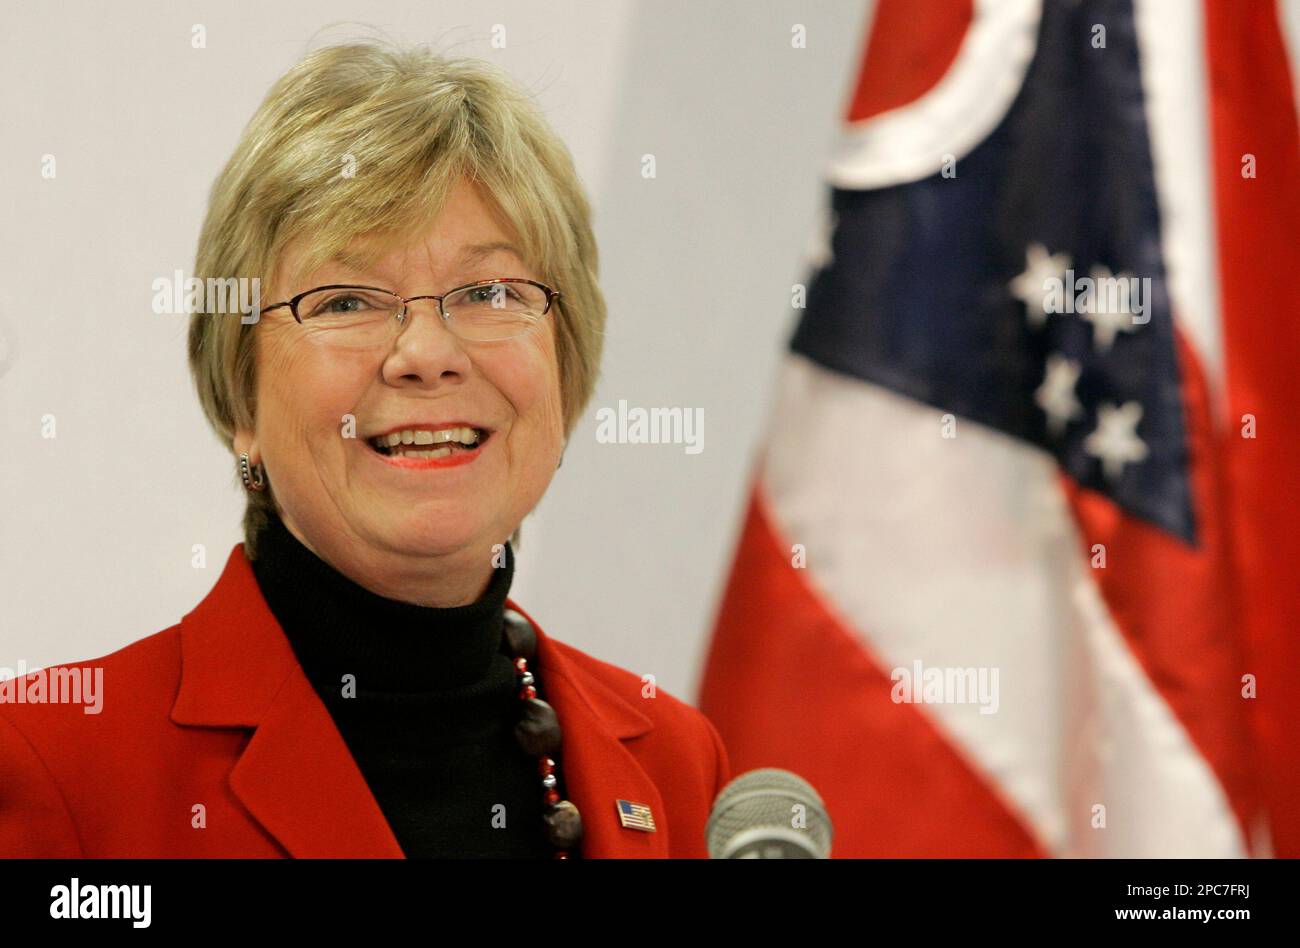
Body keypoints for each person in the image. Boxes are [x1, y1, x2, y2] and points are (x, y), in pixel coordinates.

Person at [0, 41, 729, 858]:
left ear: (567, 362)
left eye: (489, 292)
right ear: (242, 394)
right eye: (347, 298)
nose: (425, 351)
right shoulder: (54, 773)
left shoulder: (676, 764)